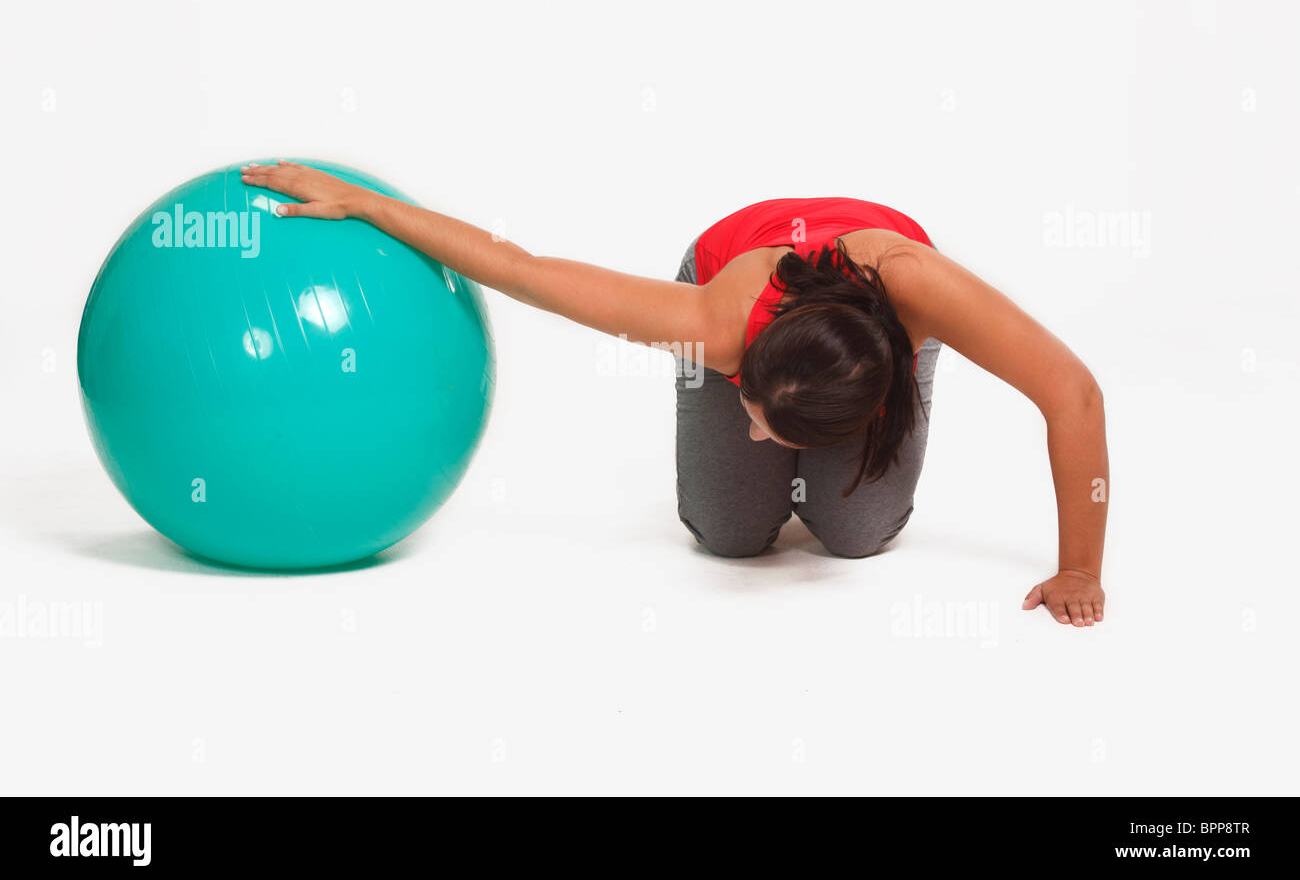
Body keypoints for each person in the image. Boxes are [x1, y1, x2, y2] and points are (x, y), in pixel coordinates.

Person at [240, 161, 1109, 628]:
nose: (758, 433)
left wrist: (1079, 568)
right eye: (754, 410)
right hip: (741, 262)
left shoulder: (924, 293)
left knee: (859, 535)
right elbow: (525, 270)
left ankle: (852, 433)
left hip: (880, 319)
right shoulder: (713, 321)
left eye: (764, 427)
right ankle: (774, 448)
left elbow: (1072, 393)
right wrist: (364, 204)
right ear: (745, 362)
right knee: (727, 536)